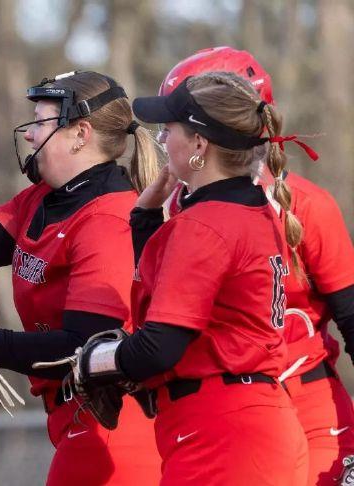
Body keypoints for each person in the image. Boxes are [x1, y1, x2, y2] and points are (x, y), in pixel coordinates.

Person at [70, 71, 310, 484]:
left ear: (199, 144)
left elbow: (159, 348)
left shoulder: (203, 224)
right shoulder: (252, 210)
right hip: (249, 425)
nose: (162, 141)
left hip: (223, 437)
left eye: (169, 130)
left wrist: (92, 361)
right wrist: (145, 219)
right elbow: (170, 296)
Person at [0, 70, 162, 485]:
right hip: (75, 416)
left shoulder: (109, 217)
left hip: (113, 425)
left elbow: (84, 348)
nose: (30, 135)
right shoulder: (42, 200)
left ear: (80, 134)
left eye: (41, 122)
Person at [159, 46, 354, 485]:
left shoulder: (304, 205)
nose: (167, 137)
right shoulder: (172, 210)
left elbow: (352, 316)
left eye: (176, 123)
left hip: (310, 407)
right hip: (218, 415)